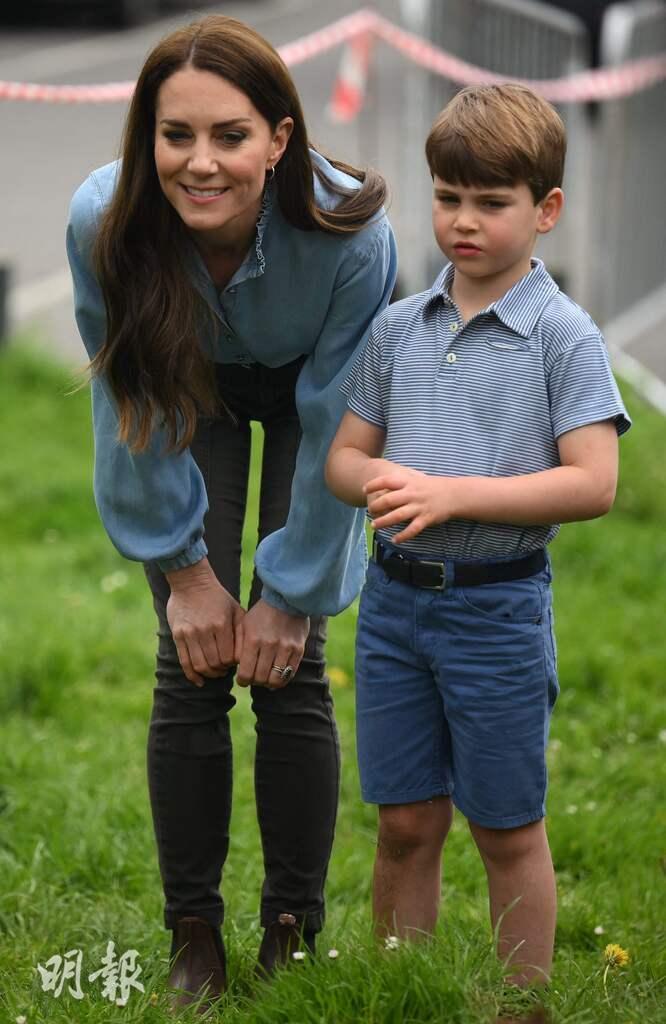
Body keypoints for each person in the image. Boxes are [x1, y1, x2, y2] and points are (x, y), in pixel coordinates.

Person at [66, 14, 397, 1010]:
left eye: (230, 136)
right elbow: (131, 401)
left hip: (312, 390)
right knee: (194, 653)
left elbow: (345, 421)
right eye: (177, 136)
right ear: (146, 136)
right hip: (188, 386)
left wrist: (290, 592)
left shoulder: (352, 234)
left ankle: (292, 932)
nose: (201, 163)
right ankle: (193, 935)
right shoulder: (106, 223)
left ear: (280, 139)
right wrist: (185, 573)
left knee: (289, 663)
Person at [326, 84, 630, 989]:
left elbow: (593, 483)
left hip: (496, 612)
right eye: (449, 197)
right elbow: (345, 458)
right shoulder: (397, 331)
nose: (464, 221)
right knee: (404, 823)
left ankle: (521, 1007)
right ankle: (400, 994)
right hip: (391, 611)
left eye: (491, 203)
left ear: (546, 211)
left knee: (505, 827)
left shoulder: (563, 338)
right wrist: (384, 486)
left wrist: (455, 493)